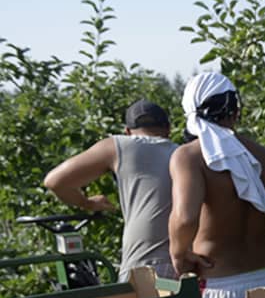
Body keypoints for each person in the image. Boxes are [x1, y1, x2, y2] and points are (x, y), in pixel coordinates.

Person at [169, 72, 265, 298]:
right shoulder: (262, 156)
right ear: (236, 112)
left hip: (221, 287)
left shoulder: (189, 156)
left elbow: (185, 219)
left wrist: (178, 254)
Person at [42, 100, 178, 281]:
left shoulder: (118, 145)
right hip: (186, 263)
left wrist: (87, 203)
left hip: (146, 265)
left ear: (127, 131)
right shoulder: (185, 153)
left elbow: (55, 181)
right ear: (168, 129)